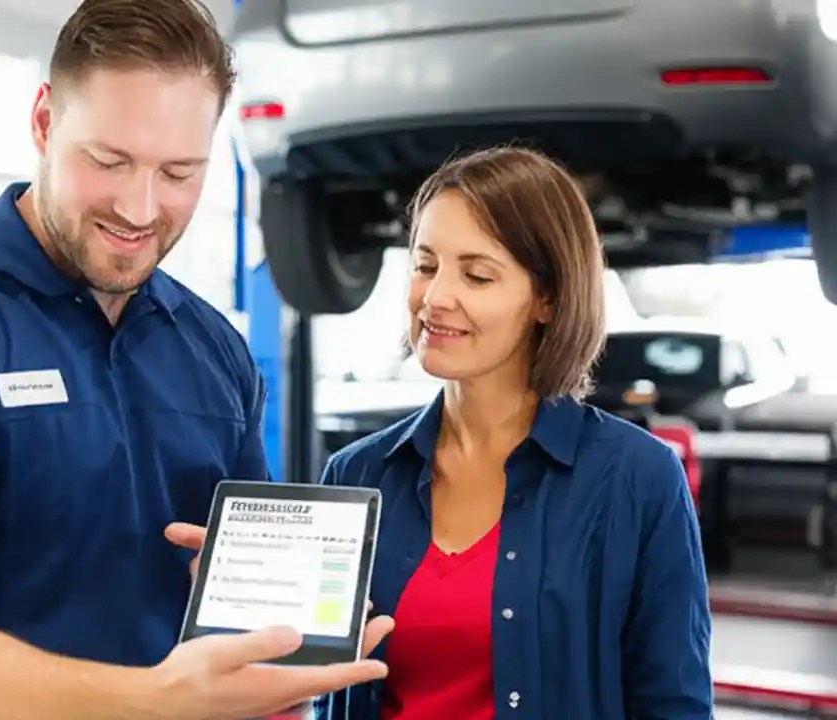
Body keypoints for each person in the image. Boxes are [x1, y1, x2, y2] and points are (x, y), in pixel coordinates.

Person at [0, 0, 392, 718]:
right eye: (110, 161)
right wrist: (158, 700)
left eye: (179, 173)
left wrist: (291, 628)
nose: (141, 208)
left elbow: (227, 610)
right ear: (45, 123)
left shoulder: (214, 351)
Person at [171, 146, 714, 719]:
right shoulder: (359, 473)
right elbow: (314, 692)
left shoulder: (637, 478)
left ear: (548, 298)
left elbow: (672, 703)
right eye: (426, 265)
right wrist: (248, 605)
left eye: (476, 275)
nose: (435, 298)